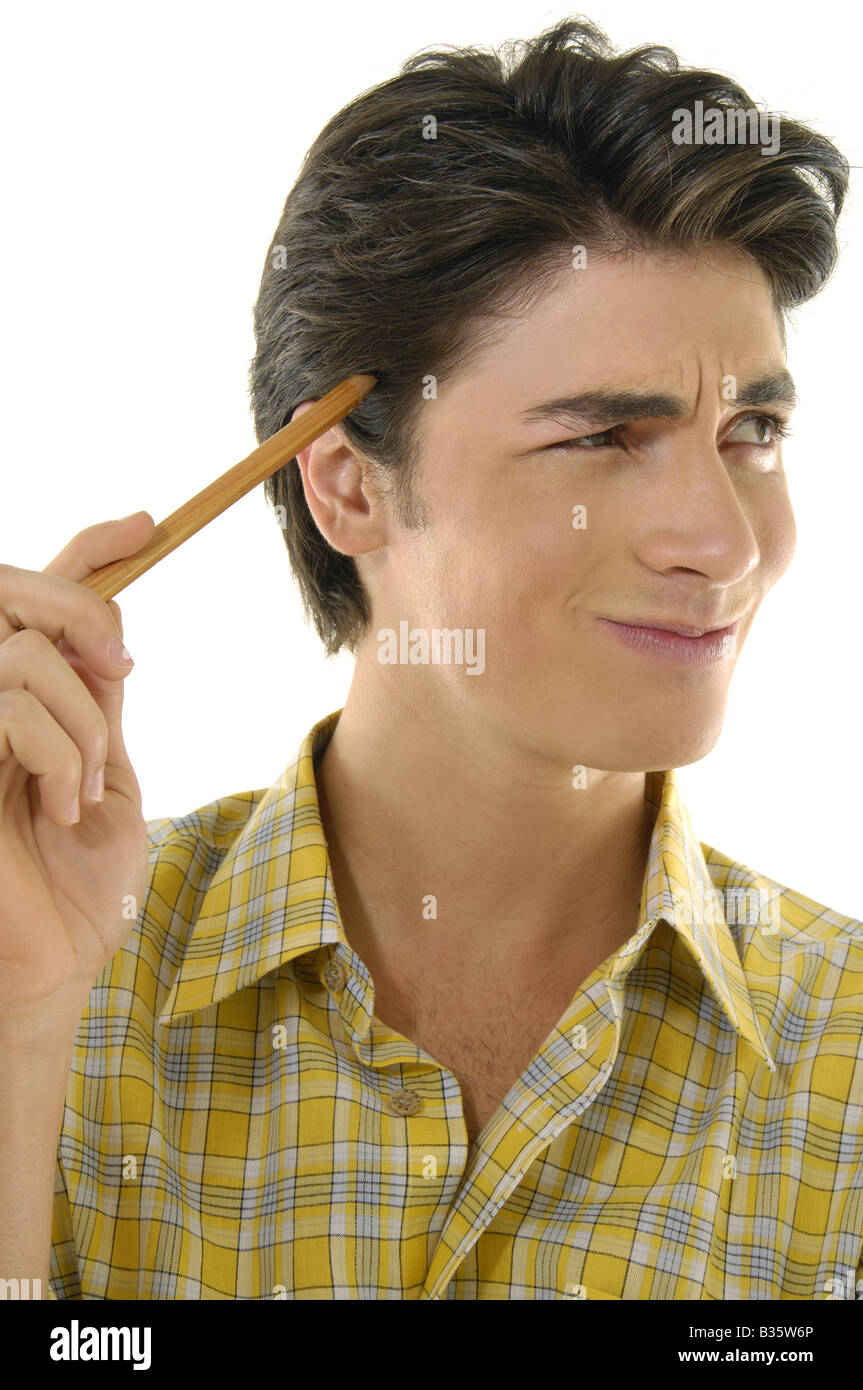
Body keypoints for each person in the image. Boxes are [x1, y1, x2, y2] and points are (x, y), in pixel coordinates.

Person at [1, 17, 859, 1302]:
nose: (724, 542)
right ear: (347, 485)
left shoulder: (841, 1054)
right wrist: (15, 1027)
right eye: (605, 438)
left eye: (749, 429)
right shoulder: (57, 967)